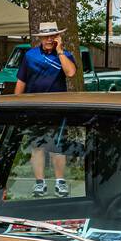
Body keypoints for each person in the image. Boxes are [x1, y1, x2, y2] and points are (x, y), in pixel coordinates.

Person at [15, 21, 77, 196]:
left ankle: (60, 181)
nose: (49, 39)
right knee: (38, 147)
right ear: (40, 38)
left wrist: (60, 51)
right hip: (34, 109)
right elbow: (21, 82)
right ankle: (40, 183)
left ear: (58, 37)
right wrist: (17, 105)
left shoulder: (65, 55)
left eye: (53, 36)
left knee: (58, 146)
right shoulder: (30, 56)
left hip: (58, 109)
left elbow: (71, 73)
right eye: (46, 36)